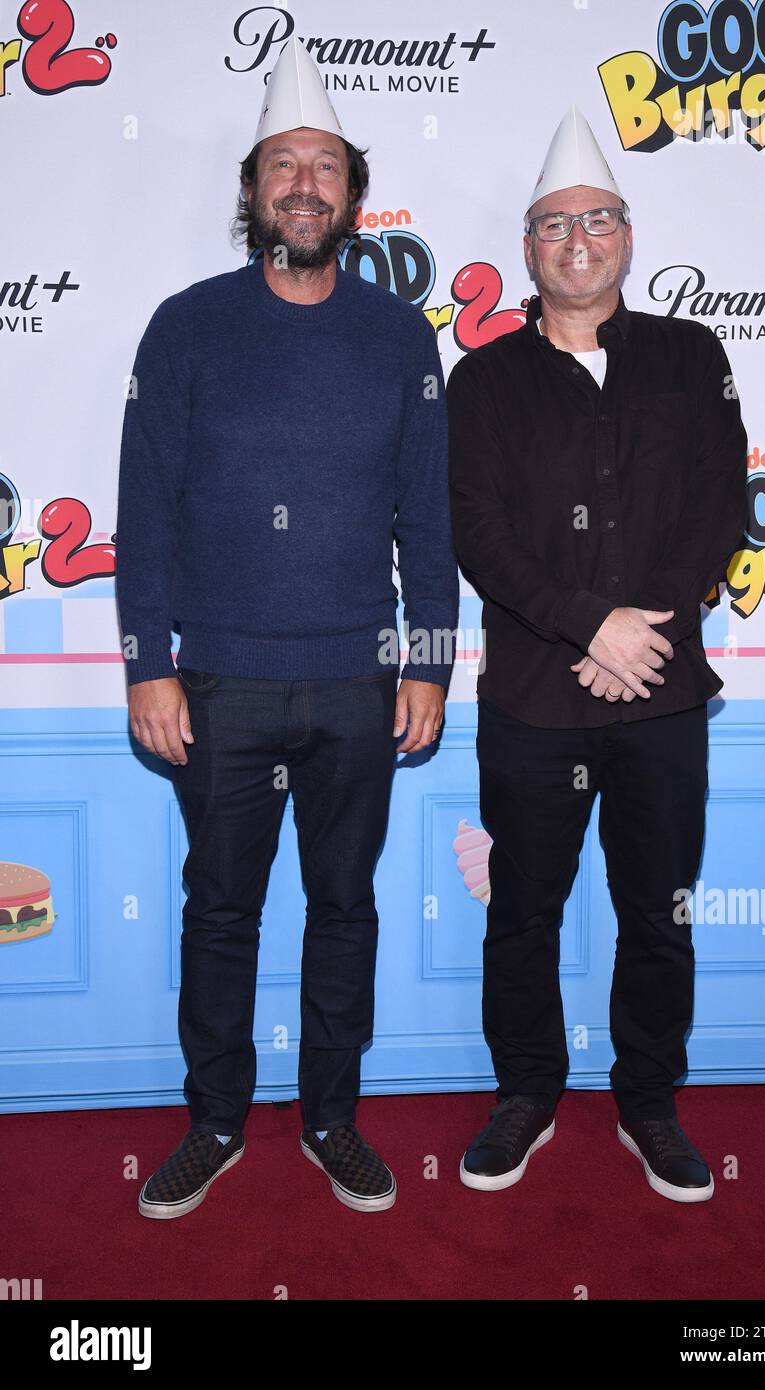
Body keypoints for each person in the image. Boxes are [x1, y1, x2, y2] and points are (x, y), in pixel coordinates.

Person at [116, 38, 459, 1218]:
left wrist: (429, 662)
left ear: (352, 197)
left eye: (323, 166)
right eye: (282, 165)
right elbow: (144, 509)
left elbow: (430, 512)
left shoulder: (400, 338)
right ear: (253, 192)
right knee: (220, 909)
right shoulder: (185, 327)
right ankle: (214, 1120)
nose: (302, 183)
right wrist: (147, 666)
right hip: (217, 683)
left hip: (362, 685)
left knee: (345, 907)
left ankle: (330, 1118)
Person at [447, 105, 748, 1202]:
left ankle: (649, 1102)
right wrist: (585, 626)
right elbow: (476, 531)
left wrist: (635, 631)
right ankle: (525, 1092)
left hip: (661, 694)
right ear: (528, 249)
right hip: (534, 696)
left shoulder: (689, 354)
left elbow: (722, 503)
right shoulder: (480, 379)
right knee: (522, 910)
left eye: (598, 221)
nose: (578, 241)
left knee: (656, 911)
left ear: (627, 233)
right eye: (554, 226)